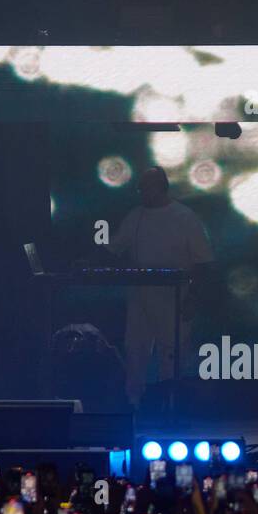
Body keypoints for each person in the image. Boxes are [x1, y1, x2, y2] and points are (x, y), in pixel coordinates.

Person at [108, 166, 215, 406]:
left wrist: (192, 297)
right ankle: (134, 404)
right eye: (140, 188)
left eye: (145, 187)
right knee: (135, 349)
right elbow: (114, 247)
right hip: (139, 296)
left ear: (160, 187)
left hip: (174, 297)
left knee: (172, 352)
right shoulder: (136, 216)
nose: (142, 193)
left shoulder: (185, 218)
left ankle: (171, 405)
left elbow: (204, 263)